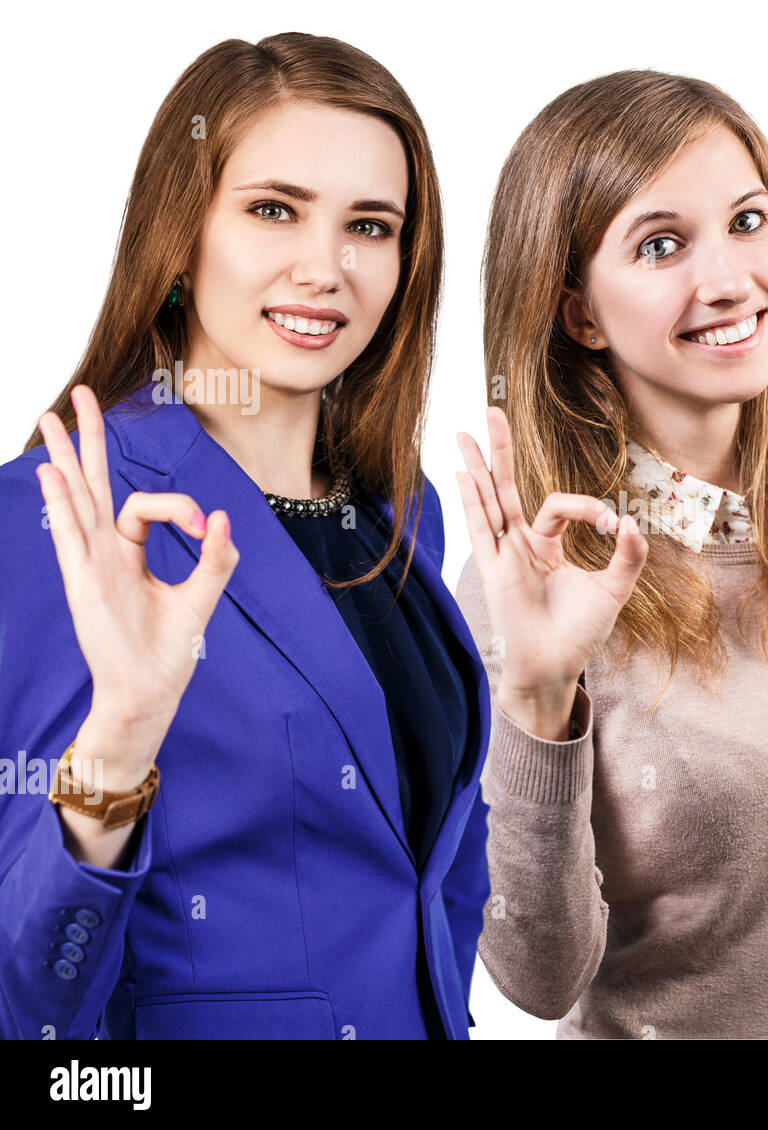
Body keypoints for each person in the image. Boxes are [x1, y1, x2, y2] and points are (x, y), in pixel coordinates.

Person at [0, 32, 490, 1040]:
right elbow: (26, 1003)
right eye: (274, 210)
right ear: (180, 237)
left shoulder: (402, 513)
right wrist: (119, 742)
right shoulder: (59, 512)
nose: (326, 267)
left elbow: (430, 888)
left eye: (370, 225)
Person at [452, 69, 768, 1039]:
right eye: (662, 243)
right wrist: (540, 698)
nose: (728, 279)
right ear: (579, 313)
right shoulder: (538, 583)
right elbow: (537, 979)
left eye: (749, 221)